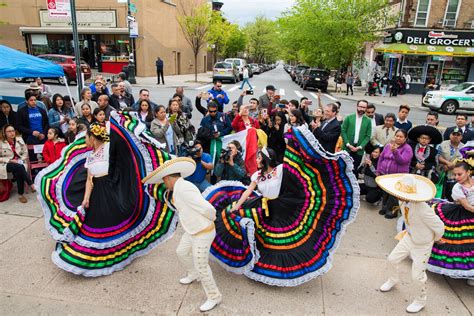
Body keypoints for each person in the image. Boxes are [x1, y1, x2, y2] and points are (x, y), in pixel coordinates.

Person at [202, 126, 360, 286]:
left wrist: (295, 138)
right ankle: (247, 255)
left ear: (265, 159)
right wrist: (237, 206)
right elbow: (247, 192)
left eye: (258, 158)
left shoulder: (281, 169)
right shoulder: (257, 175)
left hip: (282, 206)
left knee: (279, 240)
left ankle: (272, 266)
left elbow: (298, 162)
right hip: (263, 204)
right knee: (232, 213)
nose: (256, 160)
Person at [36, 112, 181, 277]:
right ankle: (93, 258)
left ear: (92, 138)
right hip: (97, 194)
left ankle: (120, 253)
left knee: (115, 223)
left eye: (86, 137)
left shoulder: (109, 150)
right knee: (97, 227)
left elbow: (123, 143)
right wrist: (85, 199)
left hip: (112, 192)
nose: (84, 141)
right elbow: (89, 180)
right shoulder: (90, 156)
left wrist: (116, 118)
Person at [142, 157, 222, 312]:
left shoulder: (184, 188)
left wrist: (211, 219)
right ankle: (193, 274)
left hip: (202, 231)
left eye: (164, 181)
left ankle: (214, 296)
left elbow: (207, 208)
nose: (164, 184)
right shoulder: (178, 188)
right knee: (181, 252)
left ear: (167, 178)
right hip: (192, 230)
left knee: (202, 266)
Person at [377, 174, 444, 313]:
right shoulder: (402, 201)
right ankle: (393, 279)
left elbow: (439, 226)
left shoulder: (423, 208)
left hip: (423, 244)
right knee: (392, 259)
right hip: (409, 237)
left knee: (417, 276)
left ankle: (421, 300)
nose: (398, 195)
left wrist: (435, 239)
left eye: (401, 193)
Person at [426, 161, 474, 286]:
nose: (457, 177)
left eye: (460, 174)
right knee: (458, 243)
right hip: (461, 214)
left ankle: (471, 274)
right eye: (455, 175)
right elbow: (468, 207)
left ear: (468, 172)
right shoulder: (457, 188)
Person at [377, 129, 413, 218]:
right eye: (397, 136)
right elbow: (381, 158)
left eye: (401, 137)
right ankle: (384, 208)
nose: (398, 138)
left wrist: (395, 151)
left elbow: (402, 161)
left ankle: (392, 212)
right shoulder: (388, 146)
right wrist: (378, 170)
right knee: (385, 192)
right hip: (385, 174)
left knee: (394, 194)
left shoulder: (407, 148)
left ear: (405, 138)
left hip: (398, 176)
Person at [0, 124, 35, 203]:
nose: (12, 133)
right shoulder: (1, 142)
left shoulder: (19, 139)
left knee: (19, 169)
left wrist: (21, 159)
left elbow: (25, 152)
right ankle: (30, 185)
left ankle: (21, 194)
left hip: (20, 162)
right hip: (6, 164)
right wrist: (10, 160)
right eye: (9, 131)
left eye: (13, 131)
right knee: (18, 167)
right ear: (4, 133)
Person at [341, 100, 372, 173]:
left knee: (354, 170)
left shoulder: (368, 121)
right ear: (357, 106)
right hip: (347, 148)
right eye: (360, 107)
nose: (362, 109)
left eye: (364, 107)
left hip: (359, 150)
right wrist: (348, 144)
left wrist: (360, 146)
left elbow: (368, 136)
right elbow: (343, 131)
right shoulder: (349, 117)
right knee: (343, 168)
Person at [437, 128, 464, 200]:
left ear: (461, 137)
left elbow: (464, 161)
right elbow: (438, 156)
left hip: (454, 177)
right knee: (439, 196)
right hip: (441, 174)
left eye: (458, 135)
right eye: (453, 134)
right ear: (450, 135)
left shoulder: (464, 148)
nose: (455, 136)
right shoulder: (443, 144)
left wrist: (452, 166)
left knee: (452, 198)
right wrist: (447, 163)